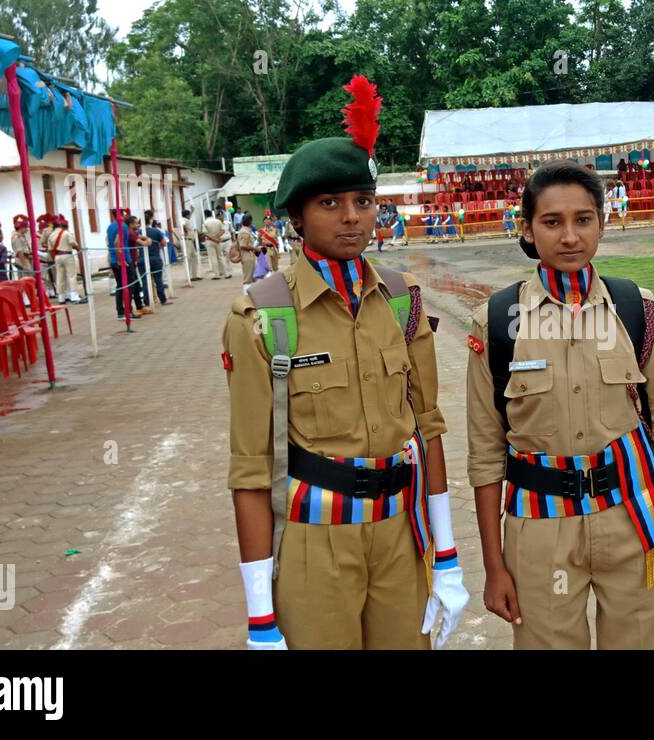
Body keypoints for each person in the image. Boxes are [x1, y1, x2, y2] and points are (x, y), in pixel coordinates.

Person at [223, 75, 466, 649]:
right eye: (329, 203)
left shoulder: (404, 298)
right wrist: (261, 617)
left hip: (400, 537)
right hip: (314, 545)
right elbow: (251, 470)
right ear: (298, 218)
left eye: (363, 201)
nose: (351, 217)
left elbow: (427, 430)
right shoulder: (262, 315)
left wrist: (448, 559)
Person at [467, 160, 654, 649]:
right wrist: (493, 566)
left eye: (583, 219)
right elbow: (485, 456)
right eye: (552, 222)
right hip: (540, 529)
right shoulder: (497, 322)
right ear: (526, 228)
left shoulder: (635, 309)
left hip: (635, 518)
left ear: (603, 223)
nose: (569, 236)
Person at [106, 214, 148, 320]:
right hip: (124, 260)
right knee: (130, 286)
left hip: (113, 259)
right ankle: (128, 311)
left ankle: (120, 312)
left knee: (120, 286)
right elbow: (117, 242)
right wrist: (122, 260)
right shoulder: (123, 226)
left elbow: (109, 242)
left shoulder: (110, 226)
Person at [48, 214, 86, 304]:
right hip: (67, 255)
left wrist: (54, 258)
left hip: (57, 256)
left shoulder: (51, 235)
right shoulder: (66, 233)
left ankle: (61, 297)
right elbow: (73, 243)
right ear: (60, 225)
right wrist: (79, 249)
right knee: (71, 276)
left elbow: (50, 250)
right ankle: (73, 296)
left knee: (60, 277)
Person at [144, 216, 170, 305]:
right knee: (158, 279)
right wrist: (157, 246)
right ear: (150, 220)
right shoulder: (156, 231)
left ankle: (147, 302)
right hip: (155, 257)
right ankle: (163, 299)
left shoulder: (138, 232)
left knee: (145, 281)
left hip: (142, 259)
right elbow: (164, 243)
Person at [202, 209, 233, 280]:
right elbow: (223, 231)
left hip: (210, 241)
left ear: (205, 215)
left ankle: (217, 275)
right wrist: (216, 238)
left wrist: (213, 238)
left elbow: (205, 234)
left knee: (213, 258)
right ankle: (226, 274)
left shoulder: (205, 222)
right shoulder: (218, 221)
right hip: (218, 241)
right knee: (220, 257)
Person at [181, 209, 202, 282]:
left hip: (190, 241)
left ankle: (194, 275)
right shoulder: (183, 220)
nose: (190, 216)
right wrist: (187, 231)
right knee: (188, 258)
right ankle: (188, 276)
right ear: (187, 215)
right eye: (189, 214)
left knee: (194, 257)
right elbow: (183, 225)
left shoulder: (186, 220)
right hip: (187, 241)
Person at [236, 213, 258, 285]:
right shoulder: (244, 232)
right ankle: (246, 294)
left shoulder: (246, 230)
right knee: (247, 279)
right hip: (247, 256)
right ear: (250, 221)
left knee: (251, 277)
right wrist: (255, 249)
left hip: (250, 255)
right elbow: (243, 245)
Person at [11, 214, 32, 281]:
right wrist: (26, 265)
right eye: (25, 227)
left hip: (25, 258)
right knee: (27, 280)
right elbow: (20, 252)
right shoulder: (17, 237)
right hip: (22, 260)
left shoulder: (21, 235)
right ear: (22, 227)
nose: (27, 228)